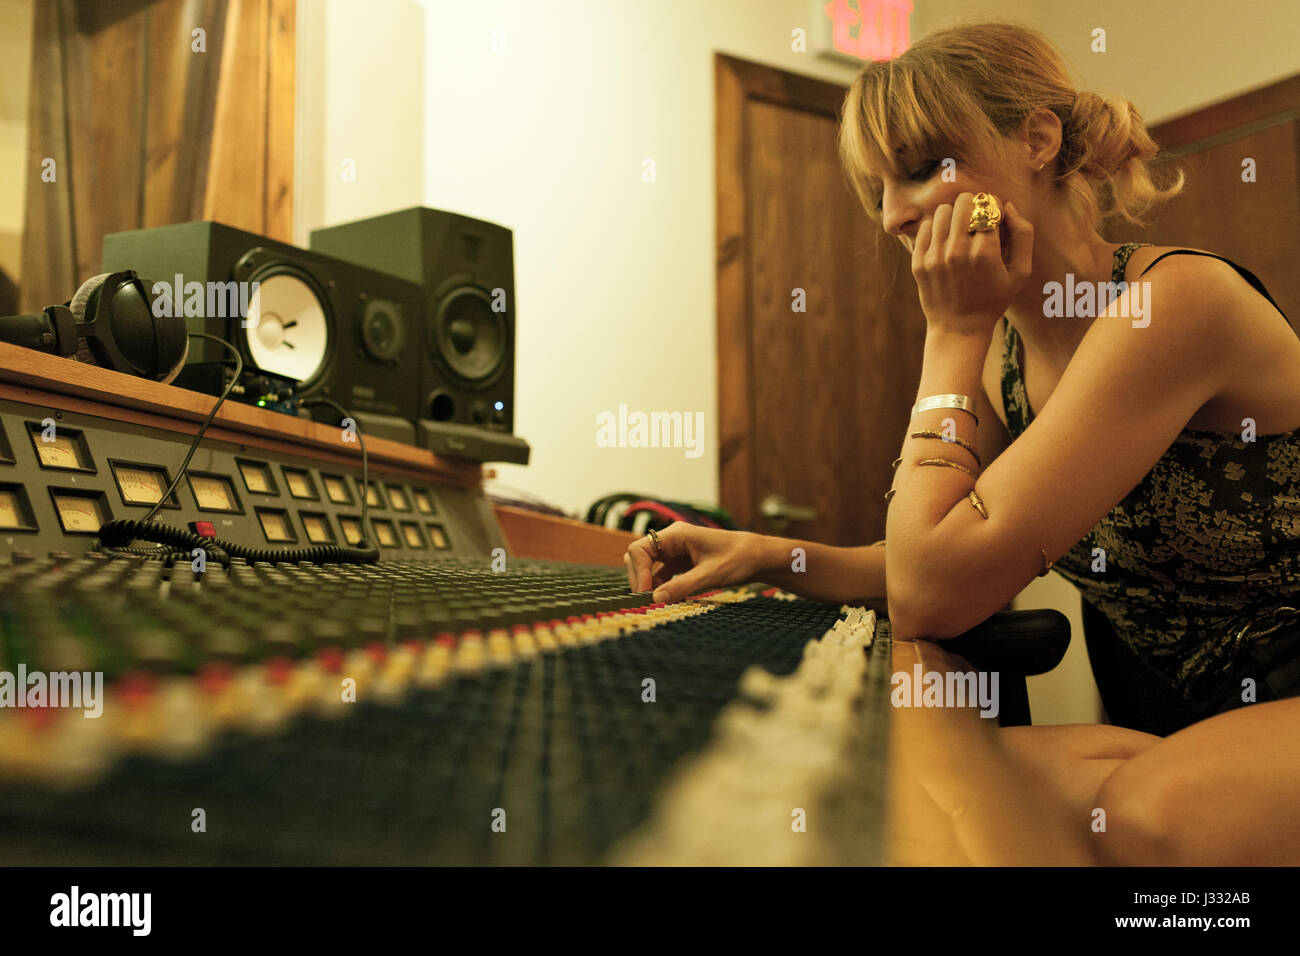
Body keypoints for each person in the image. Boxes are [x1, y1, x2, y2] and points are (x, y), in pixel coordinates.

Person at [624, 20, 1300, 865]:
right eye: (878, 192)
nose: (897, 216)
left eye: (920, 170)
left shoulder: (1172, 304)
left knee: (1149, 817)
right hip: (1229, 718)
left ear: (1037, 140)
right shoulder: (1014, 354)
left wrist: (949, 334)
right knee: (946, 786)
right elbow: (932, 560)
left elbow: (932, 596)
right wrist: (770, 555)